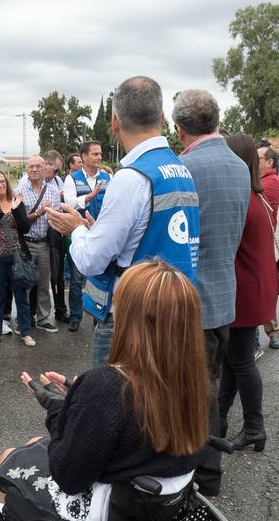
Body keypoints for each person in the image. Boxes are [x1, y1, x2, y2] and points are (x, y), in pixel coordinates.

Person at [0, 261, 209, 521]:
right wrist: (76, 395)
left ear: (133, 320)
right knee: (35, 443)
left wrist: (59, 408)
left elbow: (68, 477)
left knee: (11, 457)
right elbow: (134, 419)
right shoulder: (192, 379)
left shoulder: (107, 388)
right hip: (160, 505)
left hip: (109, 517)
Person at [47, 76, 200, 366]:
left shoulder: (132, 177)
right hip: (173, 314)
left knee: (117, 407)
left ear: (114, 121)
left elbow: (91, 261)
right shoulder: (180, 169)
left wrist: (77, 229)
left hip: (132, 320)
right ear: (163, 118)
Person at [172, 89, 250, 495]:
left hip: (190, 303)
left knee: (188, 392)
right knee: (210, 385)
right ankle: (209, 470)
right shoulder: (240, 166)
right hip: (223, 297)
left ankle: (198, 475)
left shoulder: (183, 168)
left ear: (180, 128)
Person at [216, 135, 278, 452]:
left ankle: (255, 427)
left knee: (240, 361)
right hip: (254, 287)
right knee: (233, 359)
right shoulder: (255, 194)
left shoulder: (243, 197)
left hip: (245, 291)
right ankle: (221, 419)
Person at [0, 170, 35, 347]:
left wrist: (16, 210)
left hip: (16, 258)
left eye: (2, 181)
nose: (0, 185)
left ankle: (26, 332)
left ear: (7, 183)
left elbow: (25, 228)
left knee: (21, 296)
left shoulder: (17, 202)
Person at [16, 155, 61, 332]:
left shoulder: (52, 191)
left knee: (44, 283)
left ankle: (43, 318)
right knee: (25, 284)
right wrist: (40, 212)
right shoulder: (19, 190)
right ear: (27, 170)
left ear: (45, 169)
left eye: (38, 166)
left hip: (44, 244)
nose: (34, 169)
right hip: (26, 244)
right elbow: (18, 220)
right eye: (31, 167)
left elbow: (56, 217)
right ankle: (24, 320)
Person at [257, 145, 279, 349]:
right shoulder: (263, 180)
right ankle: (271, 331)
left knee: (265, 287)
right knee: (262, 287)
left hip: (263, 242)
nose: (254, 161)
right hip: (261, 241)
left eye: (258, 158)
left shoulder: (271, 182)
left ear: (269, 162)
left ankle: (273, 331)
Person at [42, 151, 69, 325]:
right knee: (39, 278)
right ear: (46, 165)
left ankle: (60, 310)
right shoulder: (31, 182)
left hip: (55, 235)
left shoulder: (58, 182)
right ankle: (38, 313)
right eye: (56, 170)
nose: (58, 174)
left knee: (57, 275)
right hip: (37, 236)